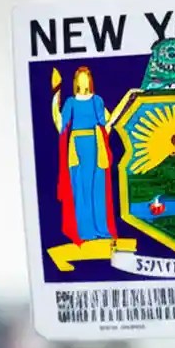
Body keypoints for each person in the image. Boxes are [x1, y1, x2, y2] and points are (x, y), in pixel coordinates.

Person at [54, 66, 116, 243]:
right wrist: (55, 100)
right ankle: (85, 230)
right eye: (80, 78)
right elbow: (62, 125)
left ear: (89, 80)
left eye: (86, 77)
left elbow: (104, 122)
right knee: (80, 186)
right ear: (76, 82)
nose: (83, 81)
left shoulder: (97, 101)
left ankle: (101, 228)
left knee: (98, 186)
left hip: (95, 145)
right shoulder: (71, 102)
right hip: (77, 147)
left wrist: (113, 118)